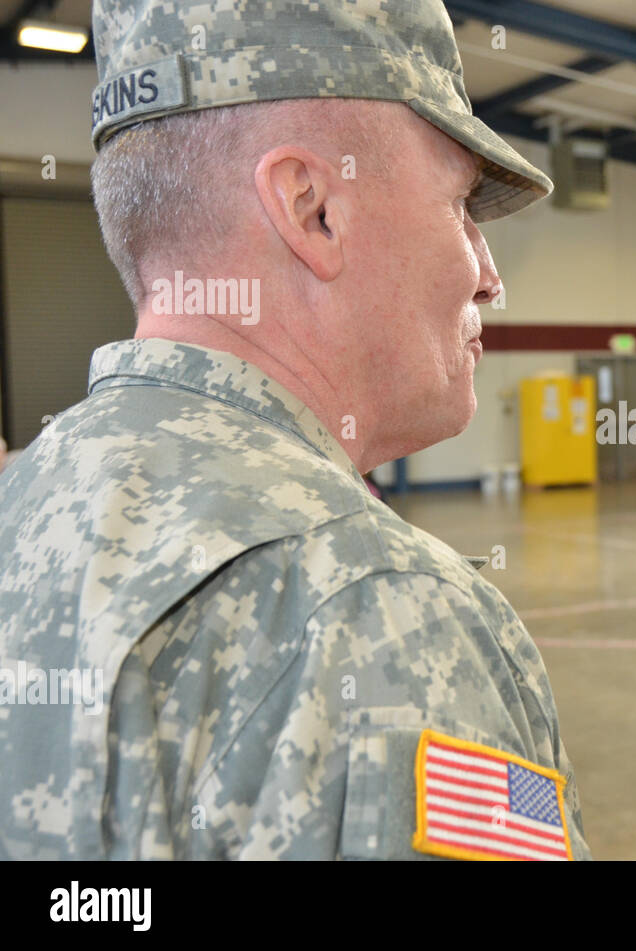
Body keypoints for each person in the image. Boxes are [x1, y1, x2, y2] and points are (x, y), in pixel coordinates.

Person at [0, 0, 591, 861]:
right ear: (311, 208)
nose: (489, 275)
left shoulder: (22, 507)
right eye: (462, 205)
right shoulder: (387, 616)